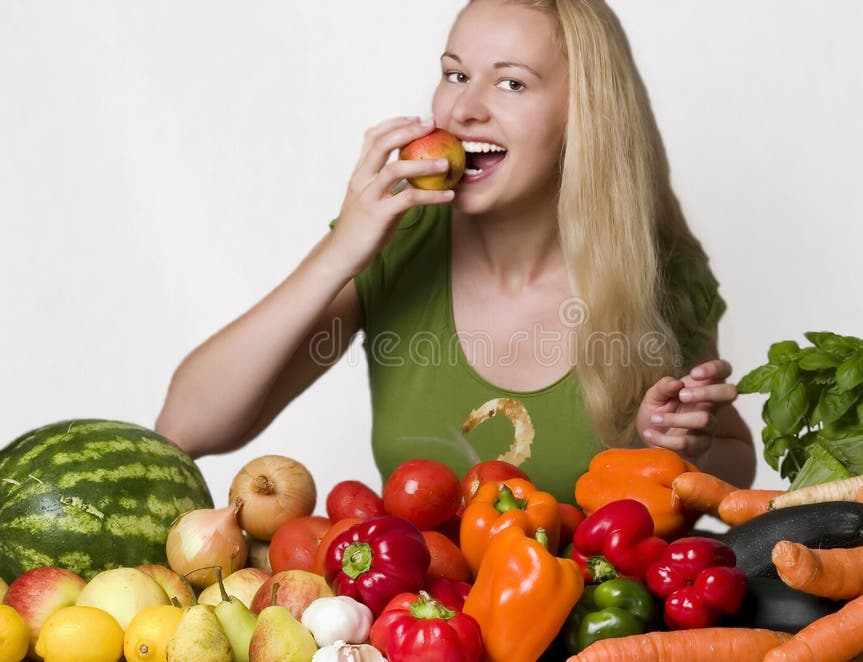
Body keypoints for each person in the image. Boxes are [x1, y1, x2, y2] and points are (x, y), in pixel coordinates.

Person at [155, 0, 756, 504]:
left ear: (584, 116)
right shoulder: (401, 237)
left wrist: (679, 450)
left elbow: (734, 462)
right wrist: (340, 253)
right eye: (456, 74)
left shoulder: (656, 270)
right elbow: (186, 426)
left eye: (512, 83)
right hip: (414, 607)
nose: (463, 109)